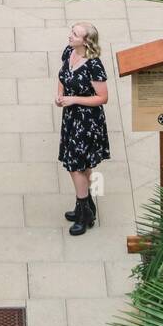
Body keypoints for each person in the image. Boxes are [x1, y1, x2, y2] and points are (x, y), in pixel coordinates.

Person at [56, 21, 110, 236]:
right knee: (81, 164)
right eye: (71, 31)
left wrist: (74, 99)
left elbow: (103, 97)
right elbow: (62, 74)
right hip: (71, 117)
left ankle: (83, 209)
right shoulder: (69, 52)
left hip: (87, 121)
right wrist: (59, 95)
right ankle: (87, 206)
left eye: (75, 34)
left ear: (86, 41)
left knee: (75, 165)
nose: (70, 36)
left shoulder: (94, 65)